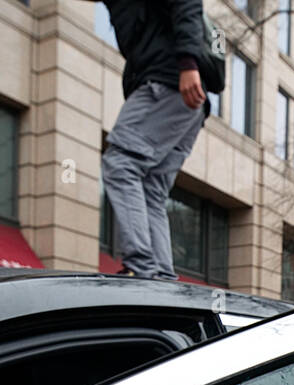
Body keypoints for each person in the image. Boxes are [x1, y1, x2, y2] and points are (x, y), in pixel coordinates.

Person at [97, 0, 221, 279]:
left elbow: (187, 3)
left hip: (169, 85)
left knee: (120, 164)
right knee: (152, 189)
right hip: (186, 103)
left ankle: (141, 266)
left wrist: (188, 63)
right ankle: (162, 276)